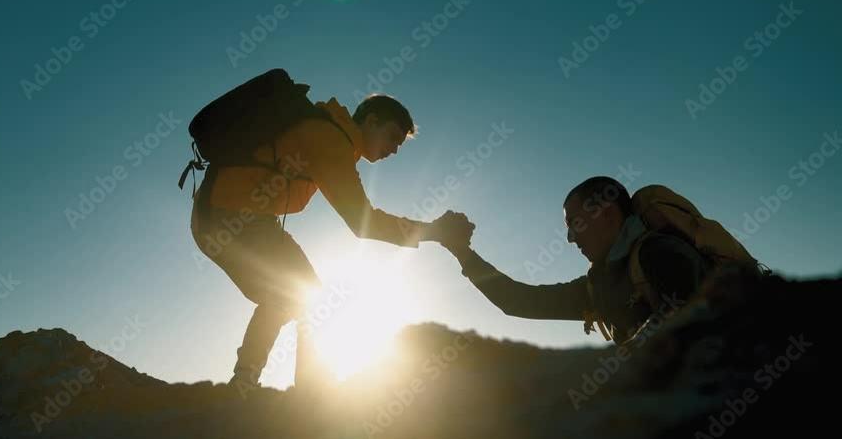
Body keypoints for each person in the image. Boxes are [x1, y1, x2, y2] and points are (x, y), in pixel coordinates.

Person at [190, 93, 473, 394]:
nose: (393, 150)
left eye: (399, 145)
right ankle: (307, 392)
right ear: (371, 120)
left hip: (242, 217)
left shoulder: (331, 134)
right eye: (392, 137)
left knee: (301, 296)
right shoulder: (329, 140)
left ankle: (256, 381)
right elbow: (366, 223)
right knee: (302, 297)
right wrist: (437, 231)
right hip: (229, 218)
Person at [443, 176, 761, 344]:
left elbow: (697, 343)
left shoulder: (663, 254)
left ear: (606, 214)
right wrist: (462, 252)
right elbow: (520, 301)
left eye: (575, 226)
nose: (570, 238)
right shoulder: (600, 283)